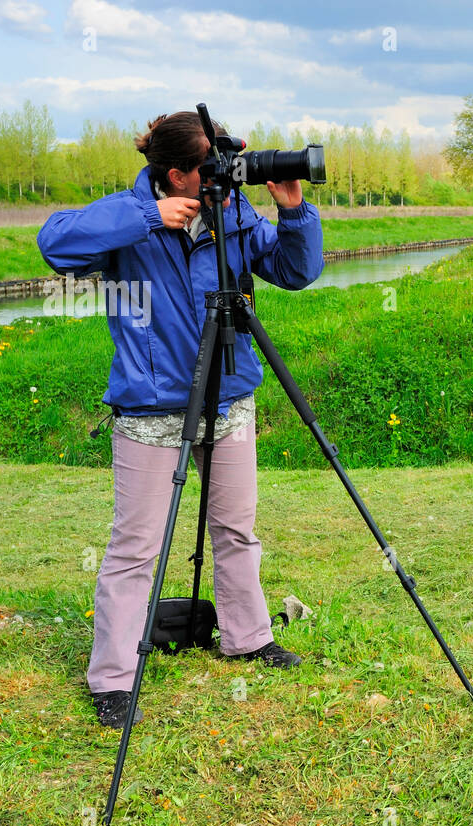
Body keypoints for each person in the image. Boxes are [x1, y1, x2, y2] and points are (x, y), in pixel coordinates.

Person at [37, 111, 324, 728]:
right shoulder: (130, 214)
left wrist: (294, 211)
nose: (223, 174)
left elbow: (298, 273)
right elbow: (54, 244)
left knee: (237, 529)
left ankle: (248, 637)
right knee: (136, 547)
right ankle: (113, 678)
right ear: (176, 174)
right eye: (210, 167)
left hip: (228, 401)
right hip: (150, 406)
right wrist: (148, 217)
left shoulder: (236, 215)